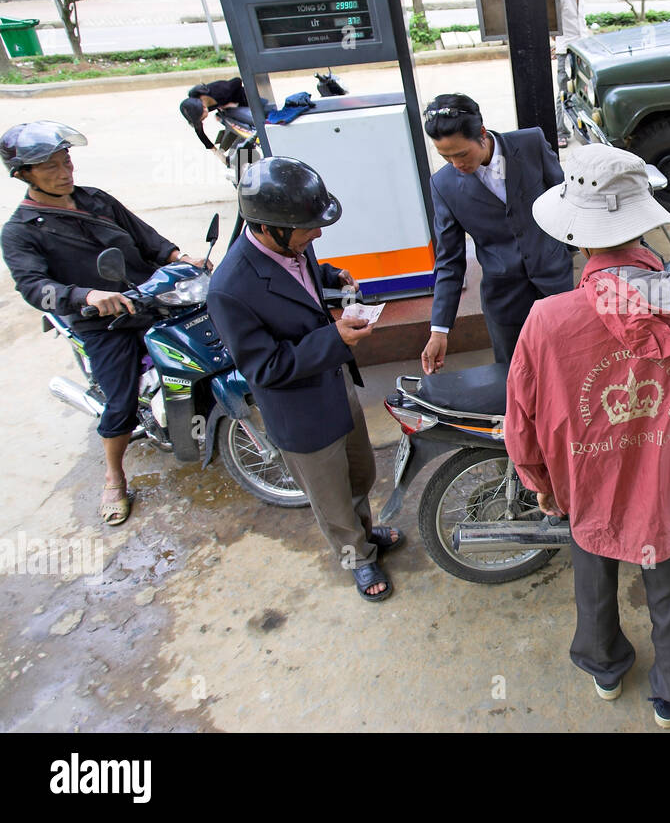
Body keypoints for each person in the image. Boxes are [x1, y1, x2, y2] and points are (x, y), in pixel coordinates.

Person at [504, 143, 670, 729]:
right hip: (666, 488)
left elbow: (519, 421)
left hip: (585, 482)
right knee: (668, 592)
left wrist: (540, 482)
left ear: (579, 235)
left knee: (592, 578)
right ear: (643, 221)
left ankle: (604, 665)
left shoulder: (548, 319)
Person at [206, 157, 402, 602]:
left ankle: (365, 535)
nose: (318, 235)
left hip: (334, 386)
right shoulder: (230, 288)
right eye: (309, 229)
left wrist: (331, 277)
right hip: (300, 412)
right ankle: (357, 556)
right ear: (267, 227)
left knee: (359, 473)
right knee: (331, 496)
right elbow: (266, 367)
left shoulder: (294, 240)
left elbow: (302, 281)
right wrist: (335, 338)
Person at [1, 122, 209, 525]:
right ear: (23, 175)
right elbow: (33, 288)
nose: (65, 173)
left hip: (149, 296)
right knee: (121, 398)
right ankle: (114, 476)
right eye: (51, 168)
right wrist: (86, 296)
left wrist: (178, 258)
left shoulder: (96, 199)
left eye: (67, 162)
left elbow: (145, 237)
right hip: (101, 321)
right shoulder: (20, 232)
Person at [421, 93, 574, 370]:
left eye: (461, 154)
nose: (456, 165)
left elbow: (567, 200)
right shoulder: (443, 185)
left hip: (556, 285)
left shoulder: (531, 144)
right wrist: (439, 330)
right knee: (517, 380)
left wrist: (573, 253)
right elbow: (449, 263)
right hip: (505, 303)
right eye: (445, 157)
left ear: (481, 134)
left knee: (569, 368)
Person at [554, 0, 590, 148]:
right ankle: (560, 132)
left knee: (582, 92)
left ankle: (582, 127)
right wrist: (555, 42)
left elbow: (581, 22)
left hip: (581, 49)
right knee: (563, 92)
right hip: (565, 49)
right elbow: (551, 19)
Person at [179, 77, 250, 161]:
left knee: (247, 137)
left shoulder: (221, 91)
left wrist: (231, 104)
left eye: (202, 118)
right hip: (228, 111)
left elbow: (238, 80)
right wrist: (220, 157)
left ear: (204, 108)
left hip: (245, 101)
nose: (202, 121)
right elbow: (200, 133)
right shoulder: (195, 106)